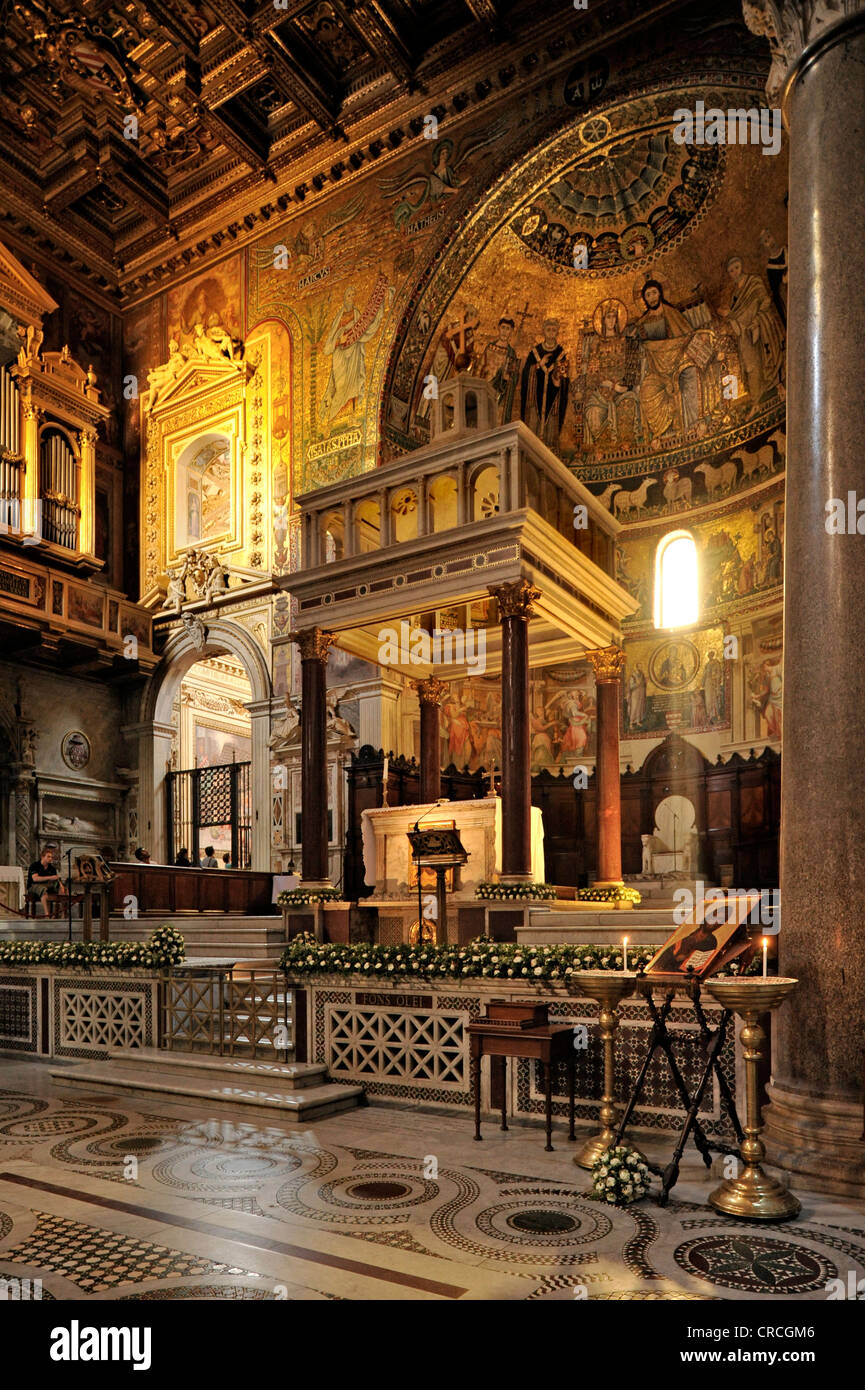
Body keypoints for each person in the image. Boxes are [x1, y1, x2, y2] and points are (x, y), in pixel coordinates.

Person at [26, 845, 66, 918]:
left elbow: (56, 879)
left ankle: (62, 913)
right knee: (43, 889)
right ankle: (47, 914)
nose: (50, 859)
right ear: (42, 857)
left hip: (47, 884)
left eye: (51, 857)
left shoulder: (52, 868)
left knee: (61, 889)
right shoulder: (34, 865)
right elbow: (35, 879)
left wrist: (61, 885)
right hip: (33, 885)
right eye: (48, 856)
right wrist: (50, 877)